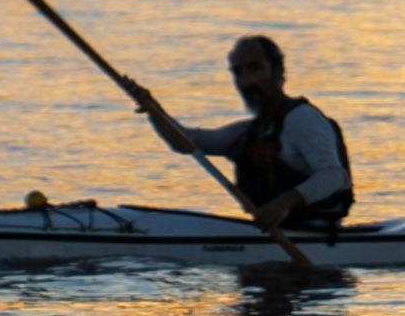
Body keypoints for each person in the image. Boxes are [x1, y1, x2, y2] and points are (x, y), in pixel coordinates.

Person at [120, 33, 358, 239]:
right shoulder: (250, 132)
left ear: (279, 71)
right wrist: (154, 110)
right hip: (275, 239)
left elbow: (335, 176)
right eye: (238, 72)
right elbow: (186, 142)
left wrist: (282, 204)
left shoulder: (302, 119)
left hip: (316, 241)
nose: (246, 81)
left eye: (255, 68)